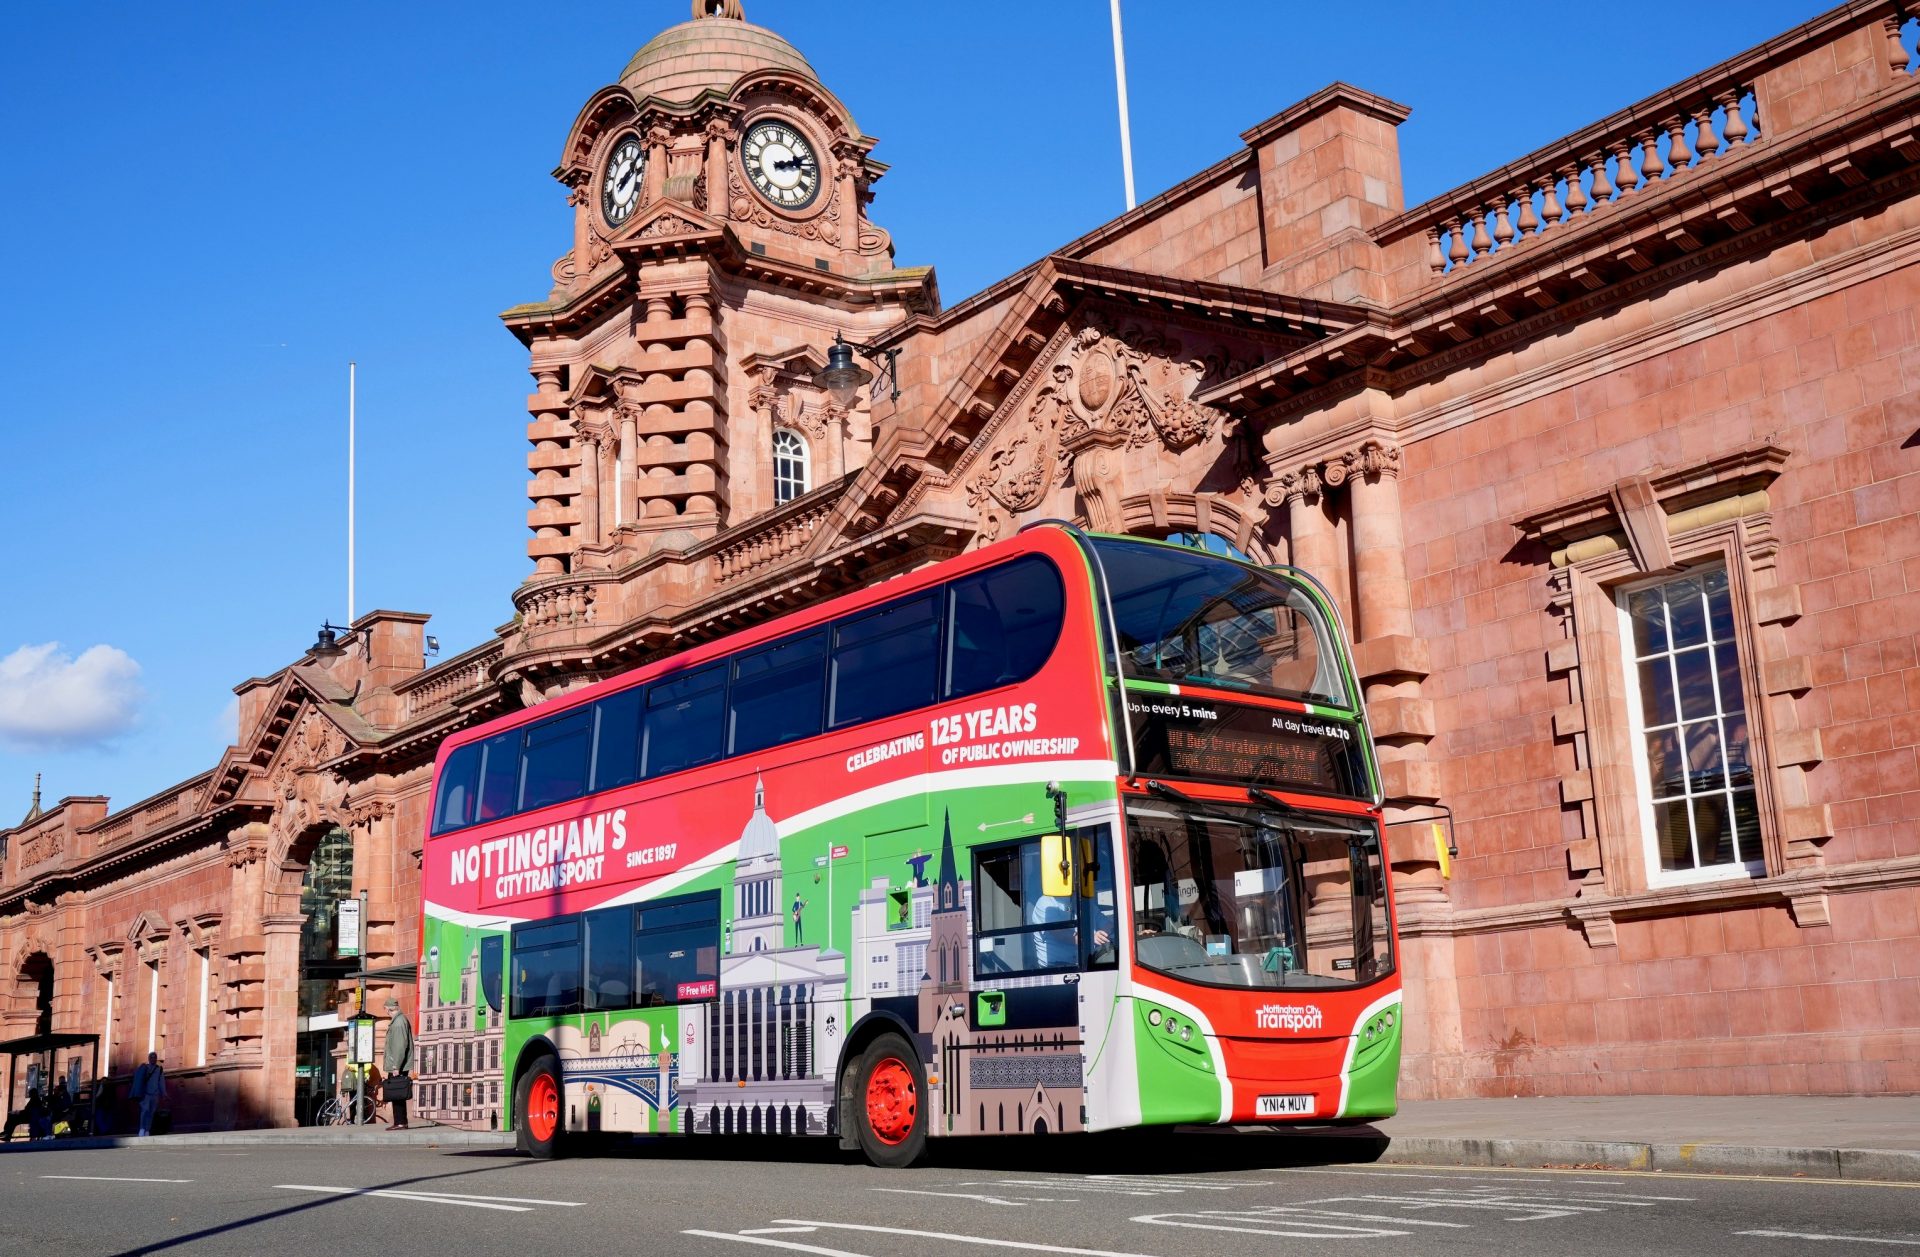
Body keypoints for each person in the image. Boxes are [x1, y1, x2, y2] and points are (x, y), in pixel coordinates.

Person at [381, 997, 416, 1130]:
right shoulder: (399, 1021)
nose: (385, 1012)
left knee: (397, 1093)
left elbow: (400, 1046)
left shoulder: (398, 1022)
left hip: (397, 1065)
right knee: (397, 1093)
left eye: (385, 1009)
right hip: (398, 1063)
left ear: (389, 1008)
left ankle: (400, 1122)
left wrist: (396, 1066)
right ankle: (400, 1122)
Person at [129, 1052, 166, 1137]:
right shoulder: (144, 1068)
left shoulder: (159, 1069)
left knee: (151, 1112)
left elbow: (161, 1082)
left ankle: (147, 1130)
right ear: (149, 1058)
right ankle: (142, 1129)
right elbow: (137, 1079)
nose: (153, 1059)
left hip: (155, 1094)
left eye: (155, 1057)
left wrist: (164, 1093)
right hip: (145, 1094)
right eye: (152, 1057)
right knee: (145, 1111)